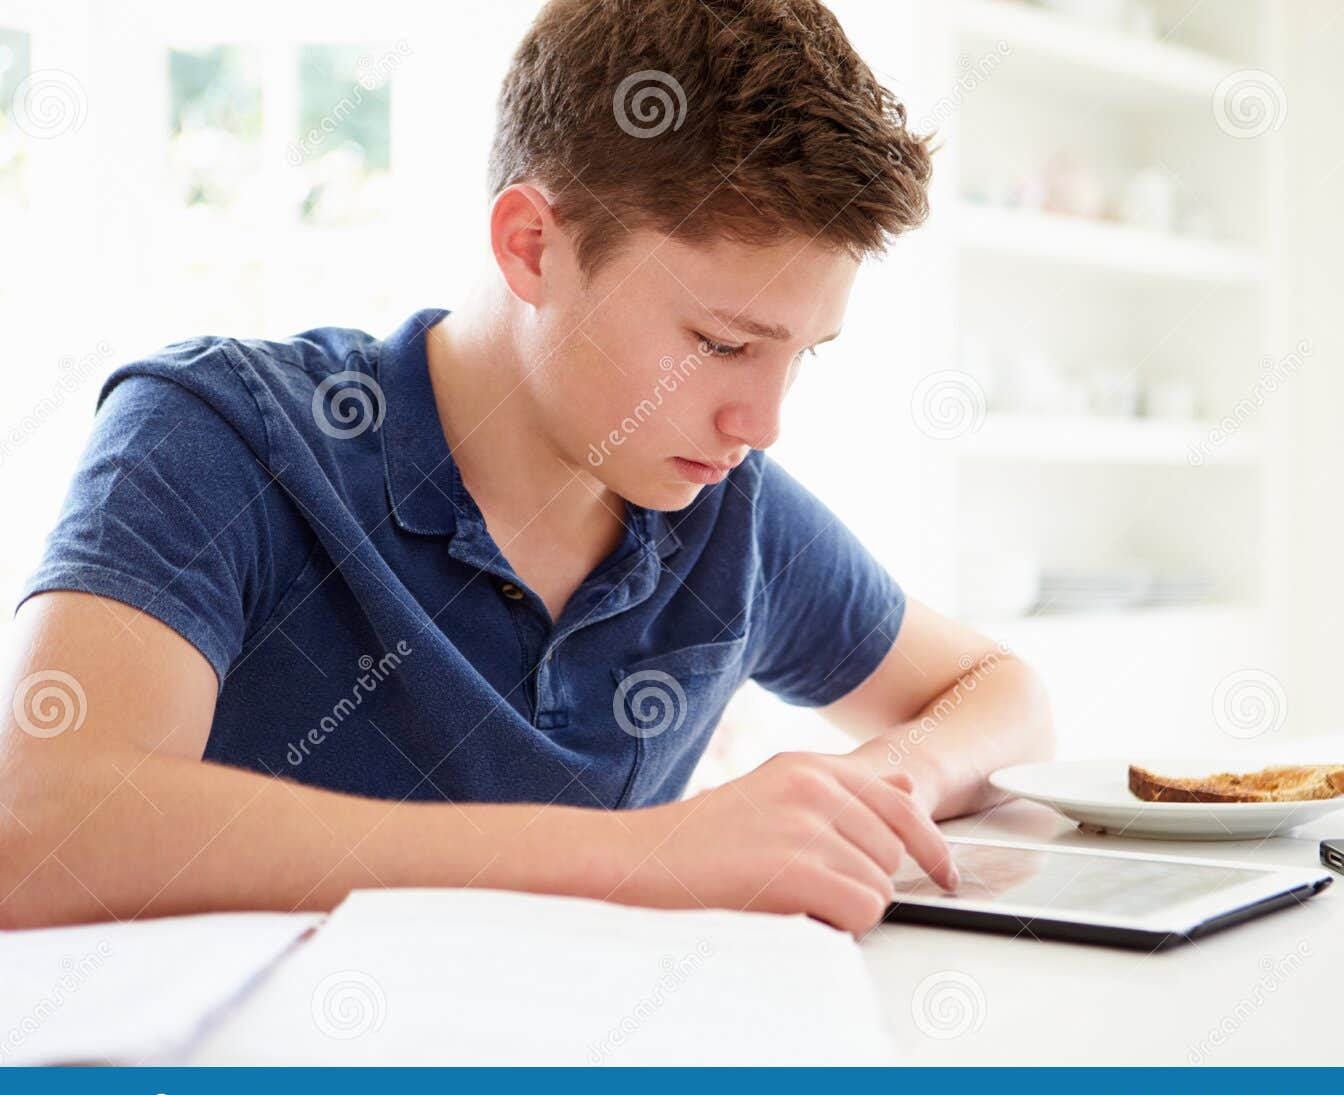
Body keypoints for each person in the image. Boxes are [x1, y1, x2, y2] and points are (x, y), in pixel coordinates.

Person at [0, 0, 1053, 934]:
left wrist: (860, 793)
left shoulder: (726, 510)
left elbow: (998, 692)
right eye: (722, 343)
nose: (762, 421)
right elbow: (38, 828)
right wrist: (652, 857)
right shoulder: (219, 432)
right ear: (530, 245)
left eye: (801, 353)